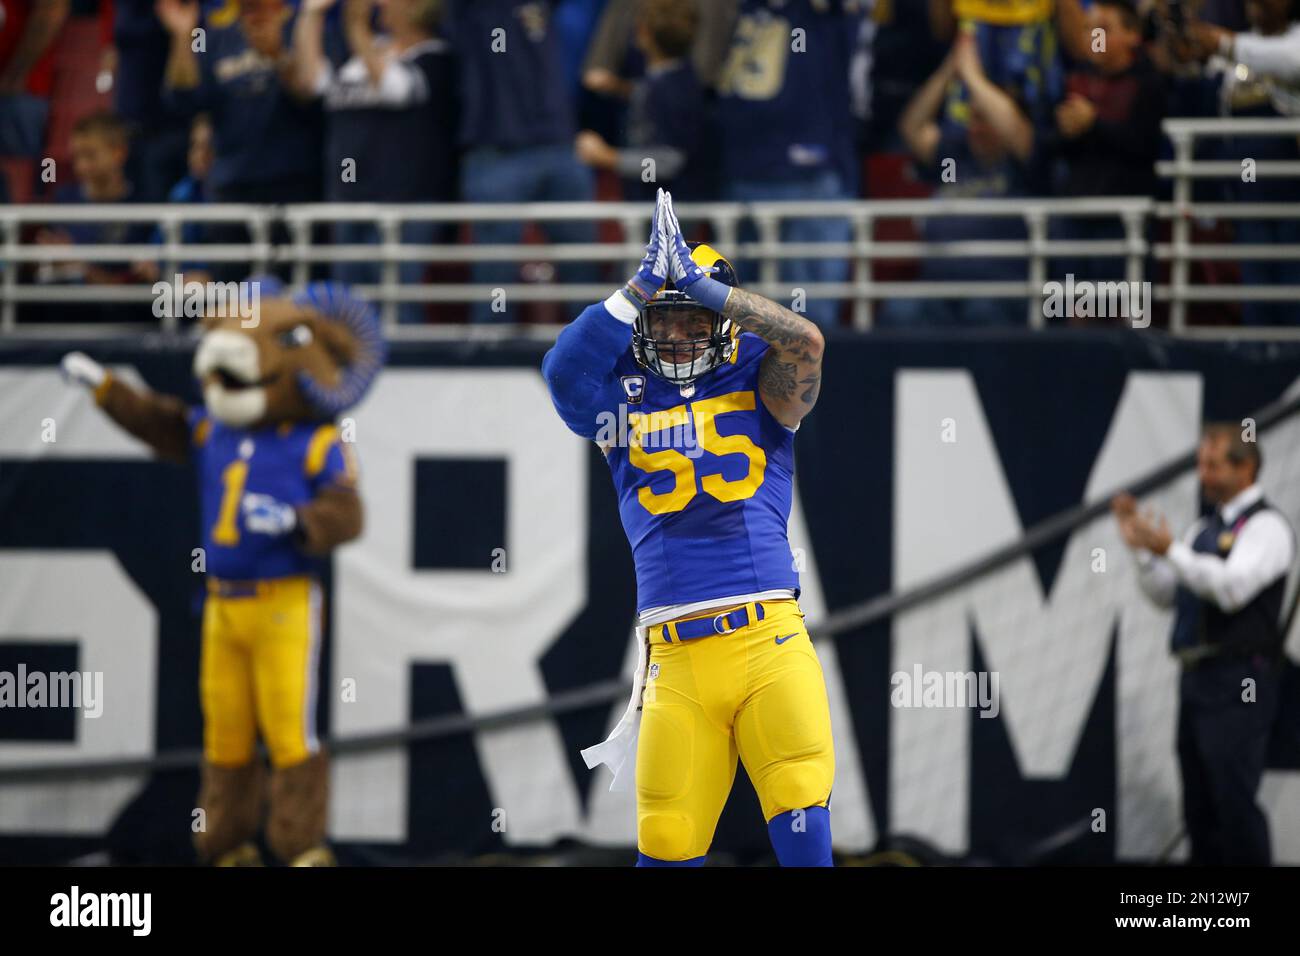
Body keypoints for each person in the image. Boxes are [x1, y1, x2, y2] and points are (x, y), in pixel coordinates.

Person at [542, 189, 835, 866]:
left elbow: (806, 340)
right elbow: (561, 374)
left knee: (799, 811)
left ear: (724, 325)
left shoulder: (761, 377)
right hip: (674, 658)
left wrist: (708, 287)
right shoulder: (618, 393)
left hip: (767, 638)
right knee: (667, 843)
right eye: (664, 320)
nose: (677, 336)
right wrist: (641, 286)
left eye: (696, 320)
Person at [1112, 423, 1296, 865]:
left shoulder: (1268, 529)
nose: (1204, 475)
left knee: (1233, 803)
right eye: (1201, 465)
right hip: (1196, 679)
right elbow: (1167, 595)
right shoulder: (1201, 530)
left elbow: (1231, 589)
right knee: (1200, 807)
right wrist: (1143, 552)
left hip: (1240, 683)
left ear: (1246, 466)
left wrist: (1170, 549)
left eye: (1214, 465)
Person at [290, 0, 459, 324]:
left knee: (398, 306)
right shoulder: (364, 53)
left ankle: (408, 372)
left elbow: (395, 88)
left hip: (405, 208)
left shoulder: (436, 57)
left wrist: (356, 28)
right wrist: (311, 15)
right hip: (348, 202)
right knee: (346, 311)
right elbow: (312, 82)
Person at [883, 30, 1037, 326]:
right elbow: (912, 128)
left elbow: (1011, 125)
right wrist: (949, 70)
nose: (975, 127)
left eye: (985, 118)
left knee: (983, 313)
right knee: (899, 309)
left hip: (1001, 290)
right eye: (972, 116)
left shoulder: (1023, 159)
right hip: (937, 288)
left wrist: (972, 76)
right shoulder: (955, 155)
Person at [574, 0, 711, 202]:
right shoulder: (679, 78)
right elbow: (651, 92)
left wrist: (606, 156)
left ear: (643, 34)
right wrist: (618, 87)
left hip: (667, 209)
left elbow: (667, 164)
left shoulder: (671, 91)